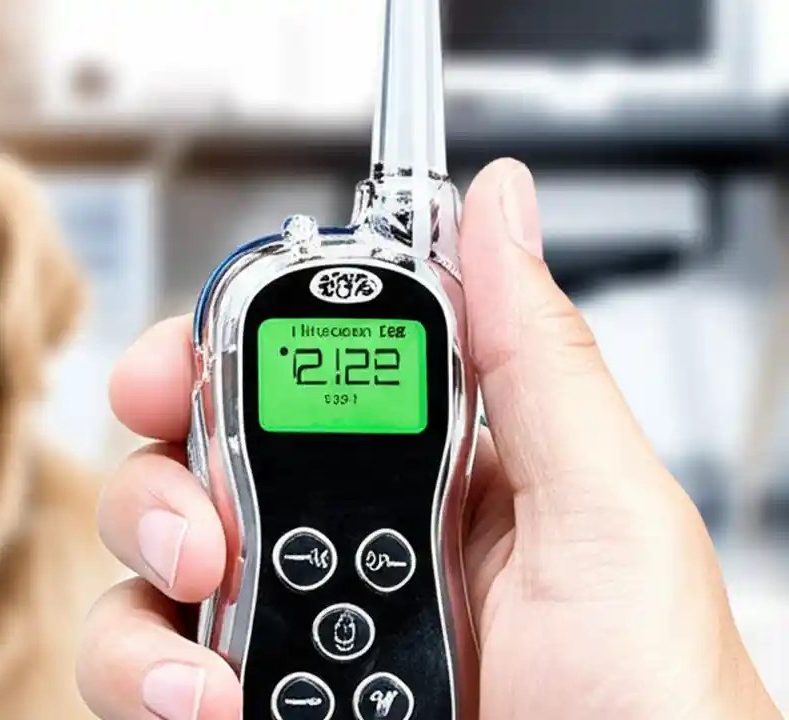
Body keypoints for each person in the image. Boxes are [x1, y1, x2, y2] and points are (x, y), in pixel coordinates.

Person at [75, 159, 784, 720]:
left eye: (377, 364)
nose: (346, 382)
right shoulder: (326, 302)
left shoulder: (417, 301)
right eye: (315, 366)